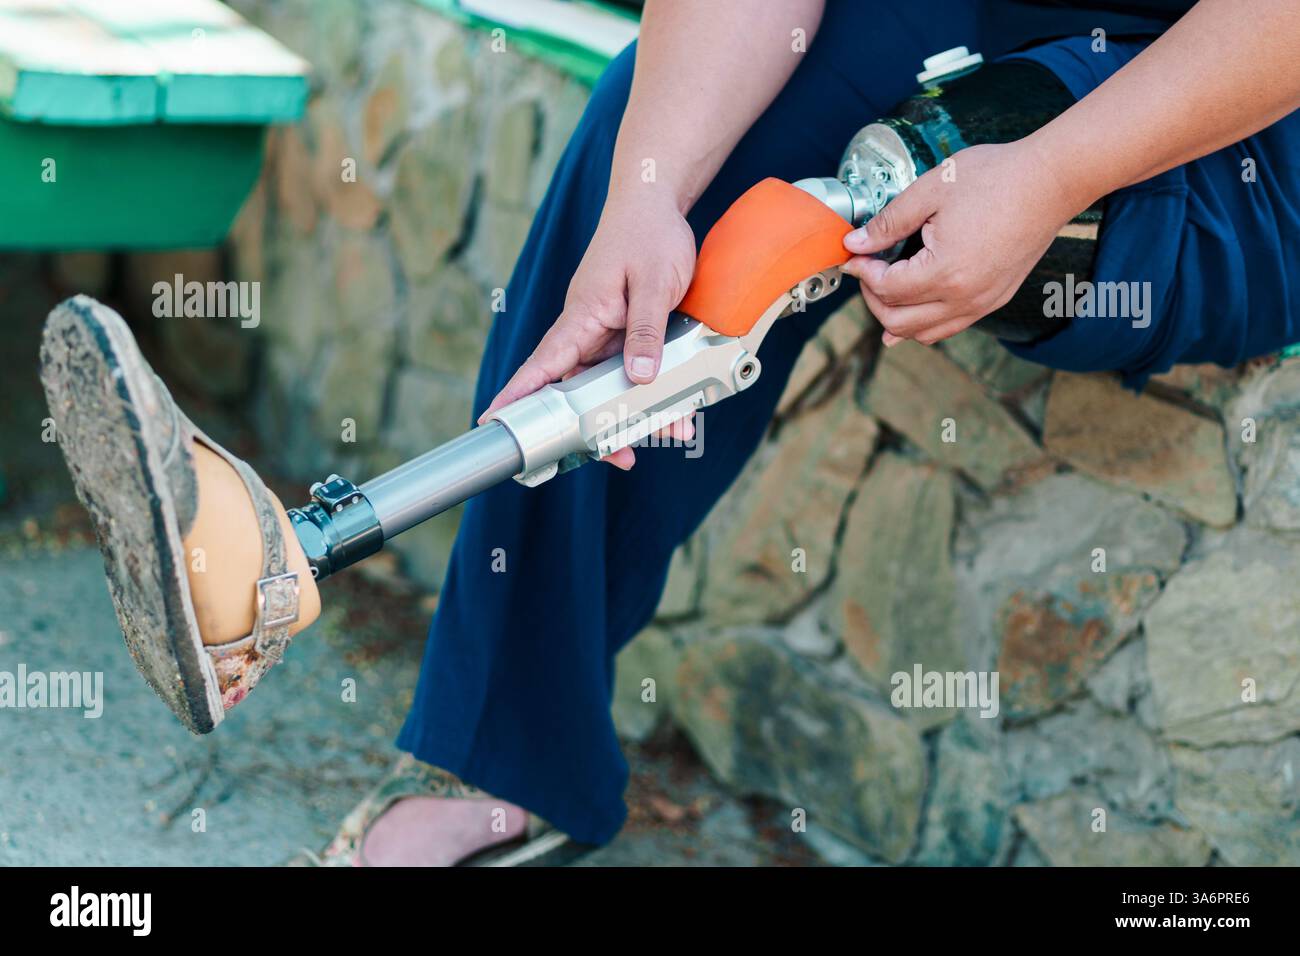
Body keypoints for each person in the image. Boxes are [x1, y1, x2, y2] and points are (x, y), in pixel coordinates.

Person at [39, 0, 1300, 866]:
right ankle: (483, 734)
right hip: (969, 22)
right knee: (653, 152)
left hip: (1228, 114)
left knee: (958, 154)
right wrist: (648, 195)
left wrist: (1056, 173)